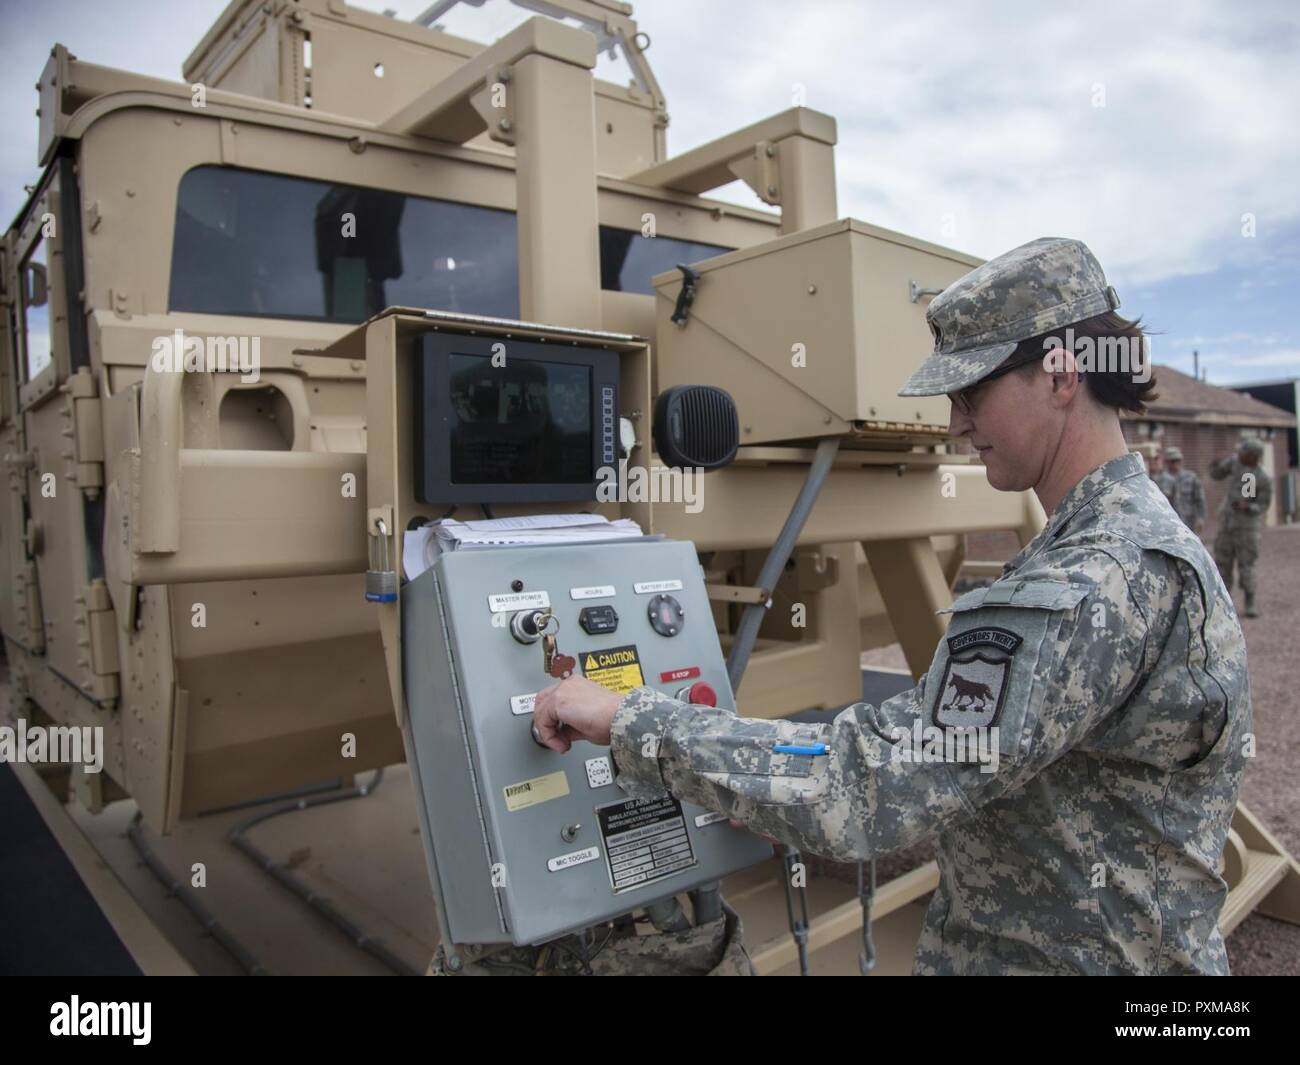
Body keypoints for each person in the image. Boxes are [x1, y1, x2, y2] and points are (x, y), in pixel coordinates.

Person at [534, 237, 1251, 975]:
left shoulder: (1100, 576)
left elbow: (863, 786)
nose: (953, 425)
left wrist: (629, 718)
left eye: (971, 393)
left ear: (1062, 376)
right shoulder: (1119, 541)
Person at [1210, 437, 1273, 618]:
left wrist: (1249, 507)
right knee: (1222, 563)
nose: (1240, 454)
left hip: (1247, 528)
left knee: (1247, 565)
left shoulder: (1262, 477)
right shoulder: (1235, 464)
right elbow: (1217, 474)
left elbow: (1263, 504)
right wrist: (1216, 464)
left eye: (1244, 452)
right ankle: (1223, 603)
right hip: (1228, 525)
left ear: (1254, 456)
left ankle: (1250, 601)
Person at [1162, 446, 1206, 533]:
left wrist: (1200, 518)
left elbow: (1200, 499)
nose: (1176, 463)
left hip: (1188, 521)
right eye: (1173, 461)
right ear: (1167, 462)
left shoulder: (1191, 477)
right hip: (1169, 522)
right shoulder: (1162, 479)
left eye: (1178, 460)